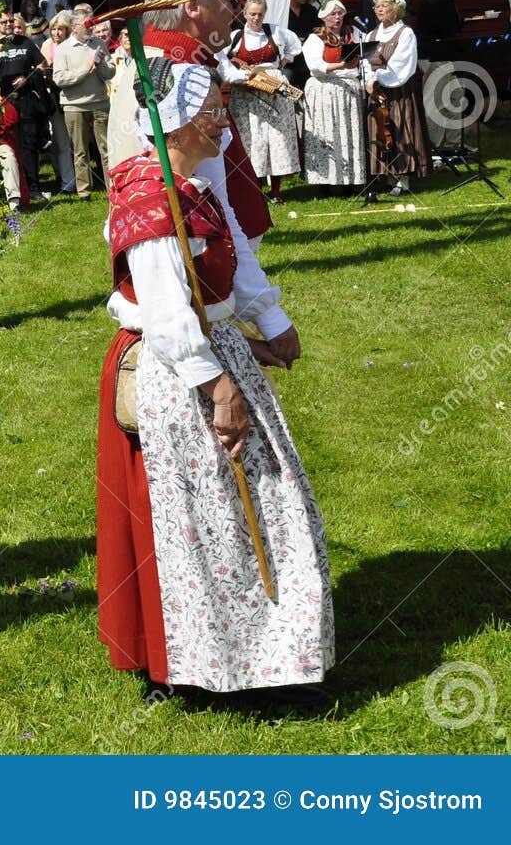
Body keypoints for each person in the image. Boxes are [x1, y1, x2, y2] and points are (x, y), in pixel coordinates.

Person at [96, 63, 333, 703]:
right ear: (176, 121)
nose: (222, 120)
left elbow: (236, 258)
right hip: (182, 370)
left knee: (262, 498)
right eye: (212, 111)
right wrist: (217, 384)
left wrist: (267, 323)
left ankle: (269, 652)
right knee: (206, 513)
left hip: (219, 347)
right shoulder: (150, 194)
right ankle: (212, 664)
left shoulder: (193, 183)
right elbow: (169, 312)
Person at [106, 0, 275, 255]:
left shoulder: (159, 61)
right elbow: (205, 190)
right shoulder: (173, 75)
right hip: (197, 254)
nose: (235, 11)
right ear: (193, 6)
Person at [220, 0, 302, 204]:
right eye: (252, 14)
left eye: (260, 14)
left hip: (275, 89)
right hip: (246, 91)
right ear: (245, 14)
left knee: (278, 138)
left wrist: (283, 61)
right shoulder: (236, 37)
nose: (256, 18)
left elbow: (295, 45)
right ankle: (255, 190)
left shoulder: (276, 32)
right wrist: (242, 76)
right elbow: (223, 63)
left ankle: (276, 192)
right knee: (252, 139)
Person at [363, 0, 428, 196]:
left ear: (396, 9)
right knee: (380, 132)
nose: (380, 9)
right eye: (377, 6)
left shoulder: (405, 33)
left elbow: (402, 64)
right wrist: (371, 83)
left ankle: (403, 178)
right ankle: (388, 176)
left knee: (400, 129)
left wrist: (379, 79)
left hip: (398, 90)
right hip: (376, 90)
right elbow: (364, 62)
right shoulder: (371, 35)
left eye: (385, 6)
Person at [300, 0, 366, 192]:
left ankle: (350, 181)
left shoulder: (353, 34)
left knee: (349, 134)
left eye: (340, 13)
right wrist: (341, 66)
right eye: (332, 14)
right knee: (326, 134)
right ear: (323, 17)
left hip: (348, 89)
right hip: (324, 89)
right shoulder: (316, 38)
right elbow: (316, 67)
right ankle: (324, 184)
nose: (337, 18)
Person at [414, 0, 477, 158]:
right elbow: (446, 31)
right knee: (436, 104)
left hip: (441, 58)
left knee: (456, 96)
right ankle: (433, 151)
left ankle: (452, 145)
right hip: (434, 58)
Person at [51, 11, 112, 199]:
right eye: (87, 24)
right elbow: (59, 78)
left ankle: (114, 189)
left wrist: (101, 64)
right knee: (80, 151)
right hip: (74, 106)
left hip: (99, 102)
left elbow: (110, 73)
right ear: (75, 27)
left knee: (107, 149)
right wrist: (84, 71)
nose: (91, 28)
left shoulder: (98, 44)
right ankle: (84, 191)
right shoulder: (62, 49)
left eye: (92, 23)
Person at [0, 11, 51, 201]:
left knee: (28, 144)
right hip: (2, 102)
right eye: (4, 21)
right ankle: (9, 189)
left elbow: (43, 65)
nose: (9, 24)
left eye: (11, 21)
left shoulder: (25, 42)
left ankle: (33, 187)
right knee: (6, 145)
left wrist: (26, 78)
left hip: (25, 99)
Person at [39, 12, 78, 195]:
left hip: (74, 97)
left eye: (60, 29)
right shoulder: (47, 46)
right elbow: (41, 69)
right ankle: (67, 182)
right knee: (61, 142)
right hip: (54, 98)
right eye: (53, 29)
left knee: (77, 142)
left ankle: (84, 178)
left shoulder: (73, 46)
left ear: (67, 31)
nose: (56, 33)